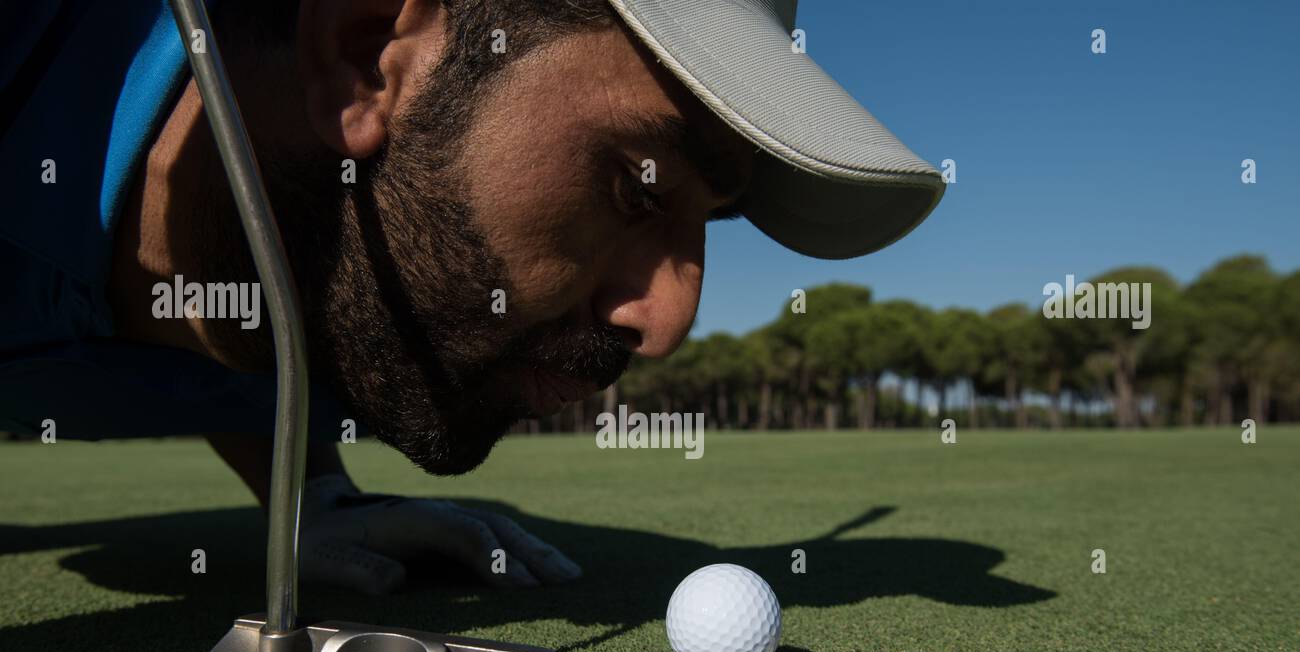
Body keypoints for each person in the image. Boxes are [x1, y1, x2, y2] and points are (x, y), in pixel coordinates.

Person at [0, 0, 944, 595]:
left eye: (710, 224)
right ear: (369, 52)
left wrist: (310, 497)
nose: (666, 325)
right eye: (637, 188)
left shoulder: (359, 285)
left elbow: (265, 300)